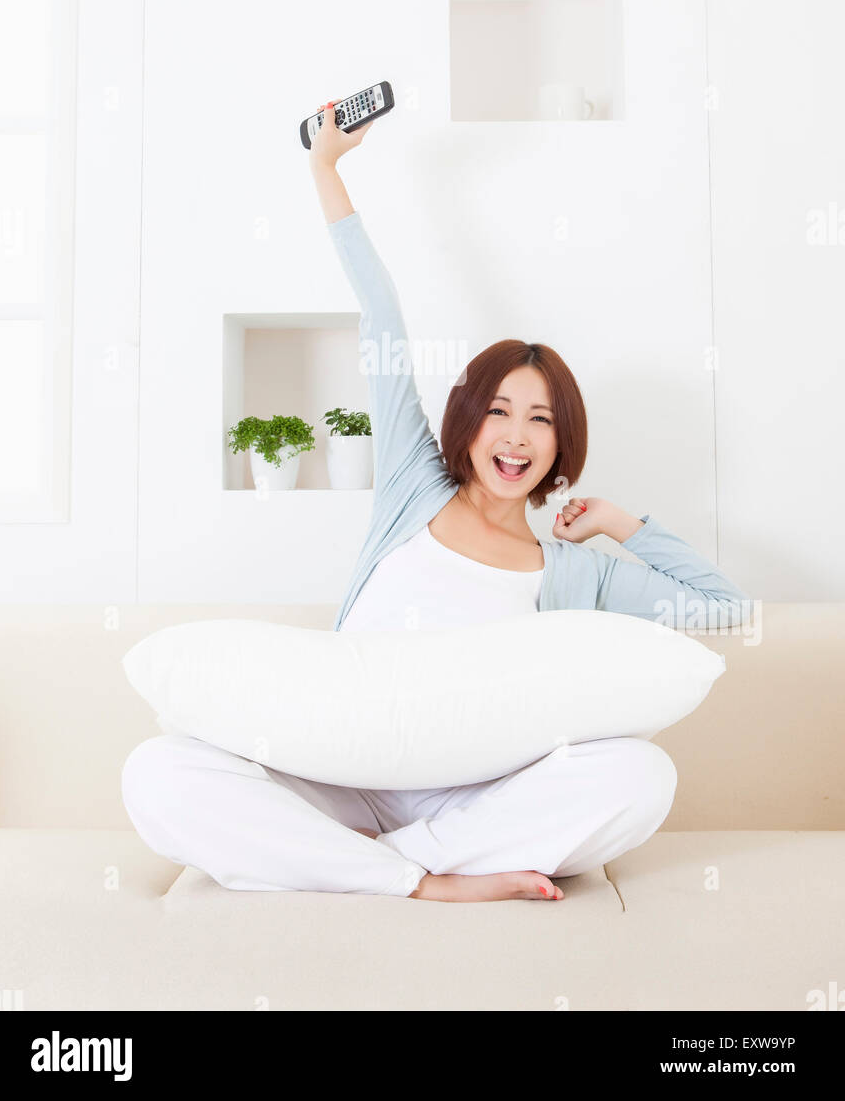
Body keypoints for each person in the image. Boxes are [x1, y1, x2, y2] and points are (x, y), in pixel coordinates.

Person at [122, 101, 751, 903]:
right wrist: (325, 169)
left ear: (562, 445)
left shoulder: (575, 572)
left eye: (540, 421)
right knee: (160, 771)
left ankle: (384, 863)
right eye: (499, 411)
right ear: (468, 420)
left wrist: (620, 525)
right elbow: (383, 319)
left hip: (472, 803)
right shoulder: (411, 485)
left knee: (640, 774)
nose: (516, 438)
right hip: (335, 782)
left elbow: (721, 608)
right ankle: (419, 880)